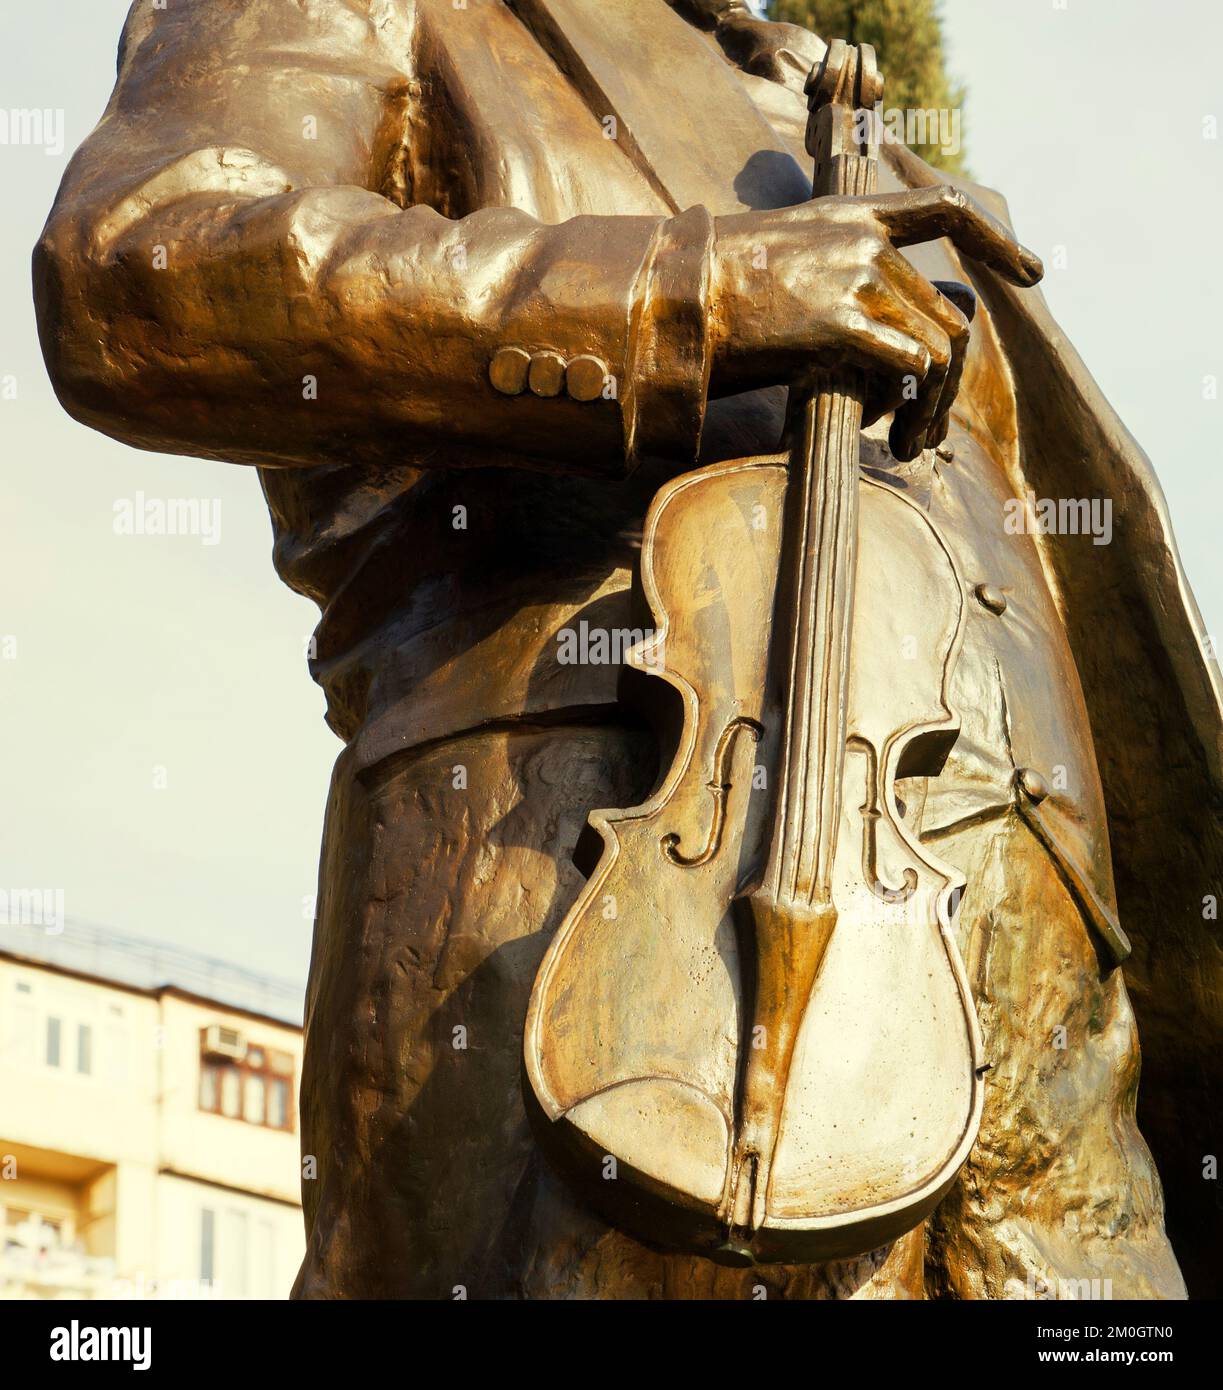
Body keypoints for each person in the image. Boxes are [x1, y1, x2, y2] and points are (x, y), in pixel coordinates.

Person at [36, 0, 1219, 1298]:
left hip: (1039, 1047)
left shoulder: (860, 131)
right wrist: (691, 295)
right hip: (622, 952)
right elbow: (143, 264)